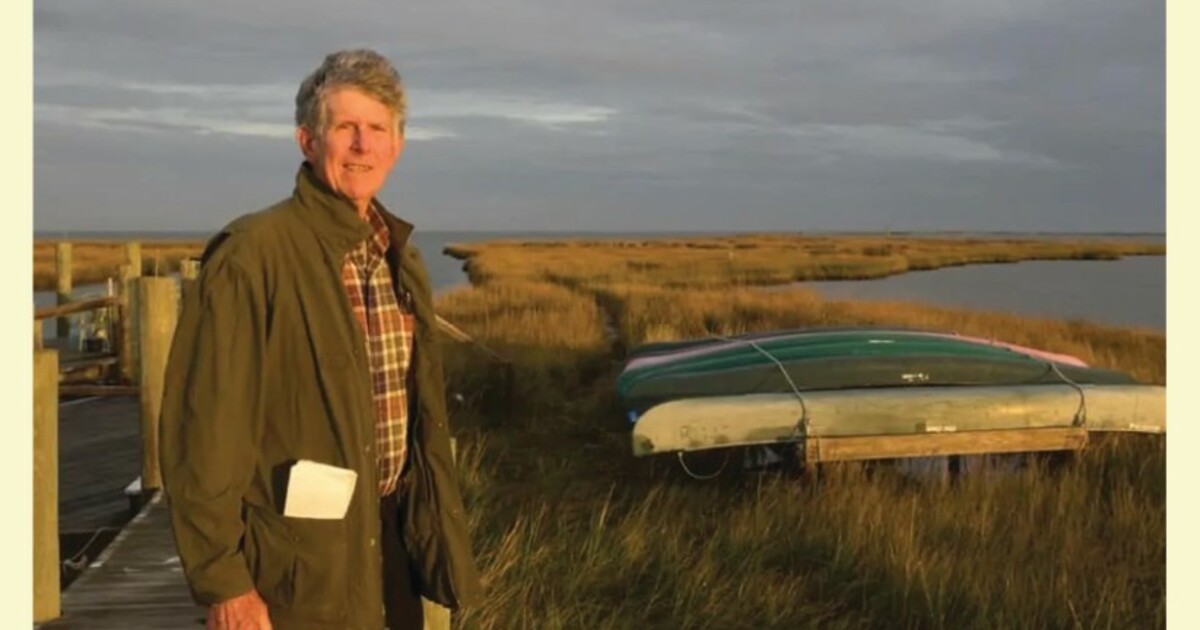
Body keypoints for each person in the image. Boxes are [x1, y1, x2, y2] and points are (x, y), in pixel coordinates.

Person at [160, 49, 482, 630]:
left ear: (397, 145)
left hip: (392, 546)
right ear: (308, 140)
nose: (362, 145)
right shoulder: (251, 256)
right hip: (295, 571)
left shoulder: (398, 260)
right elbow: (202, 430)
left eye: (377, 129)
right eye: (345, 128)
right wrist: (224, 582)